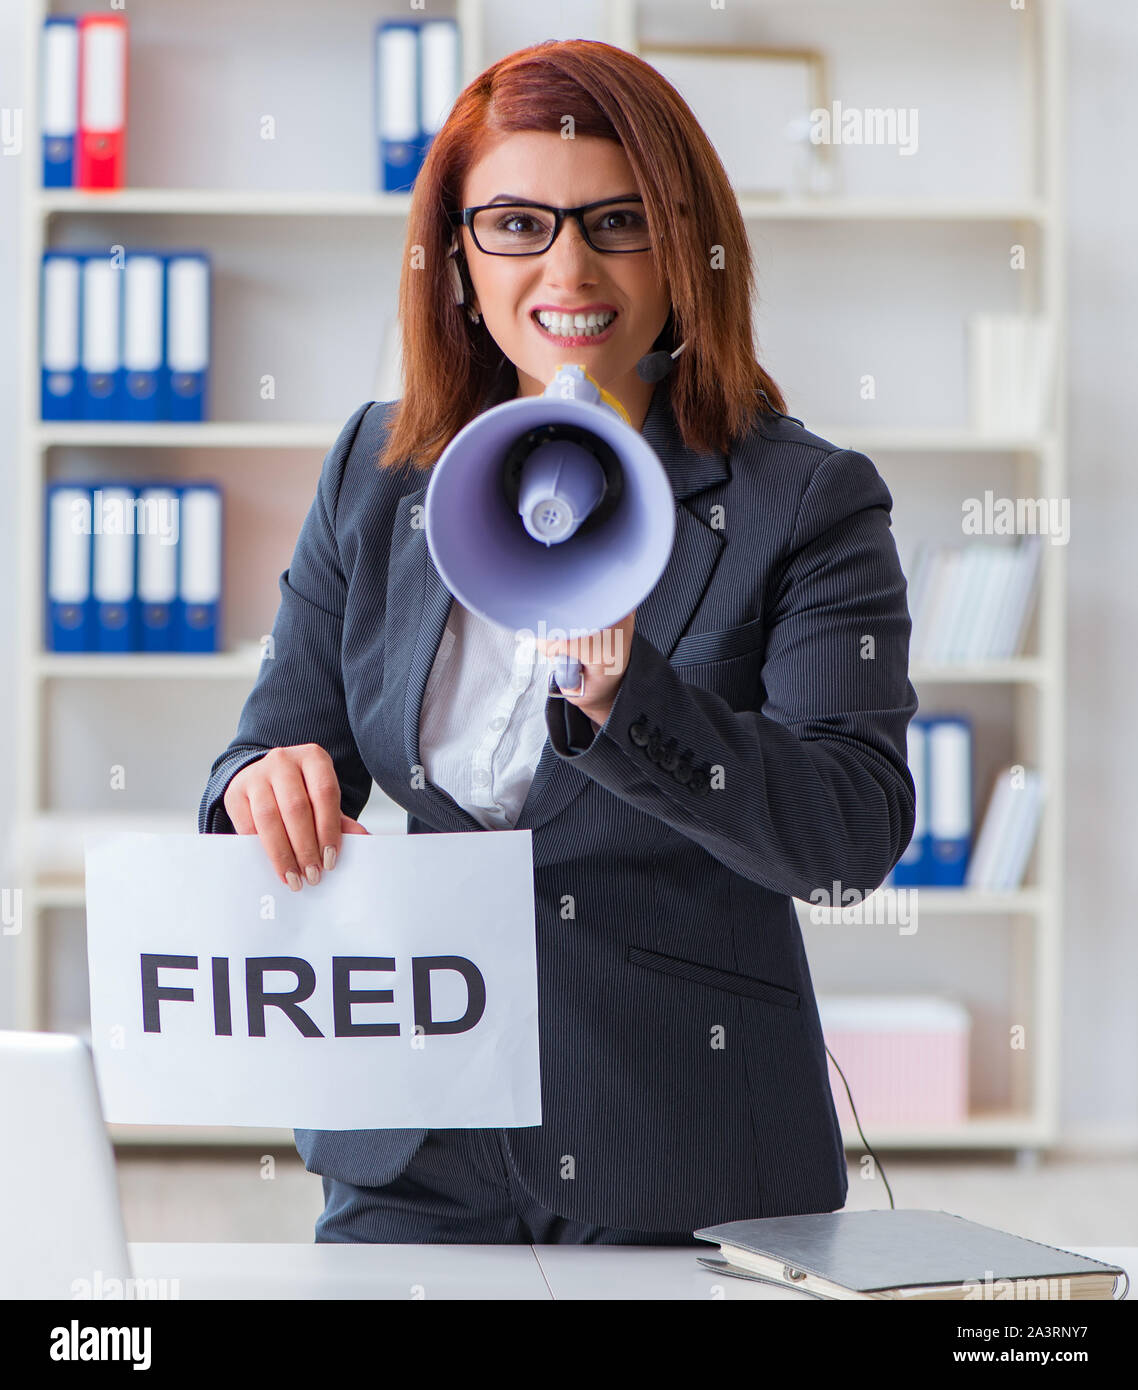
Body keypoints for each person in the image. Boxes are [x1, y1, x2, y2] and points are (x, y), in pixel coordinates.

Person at [199, 39, 918, 1244]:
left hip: (678, 1141)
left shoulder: (806, 500)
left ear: (686, 244)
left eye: (617, 222)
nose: (567, 267)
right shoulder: (379, 474)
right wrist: (257, 791)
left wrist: (628, 700)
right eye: (517, 223)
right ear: (457, 257)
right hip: (411, 1127)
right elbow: (267, 751)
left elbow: (846, 837)